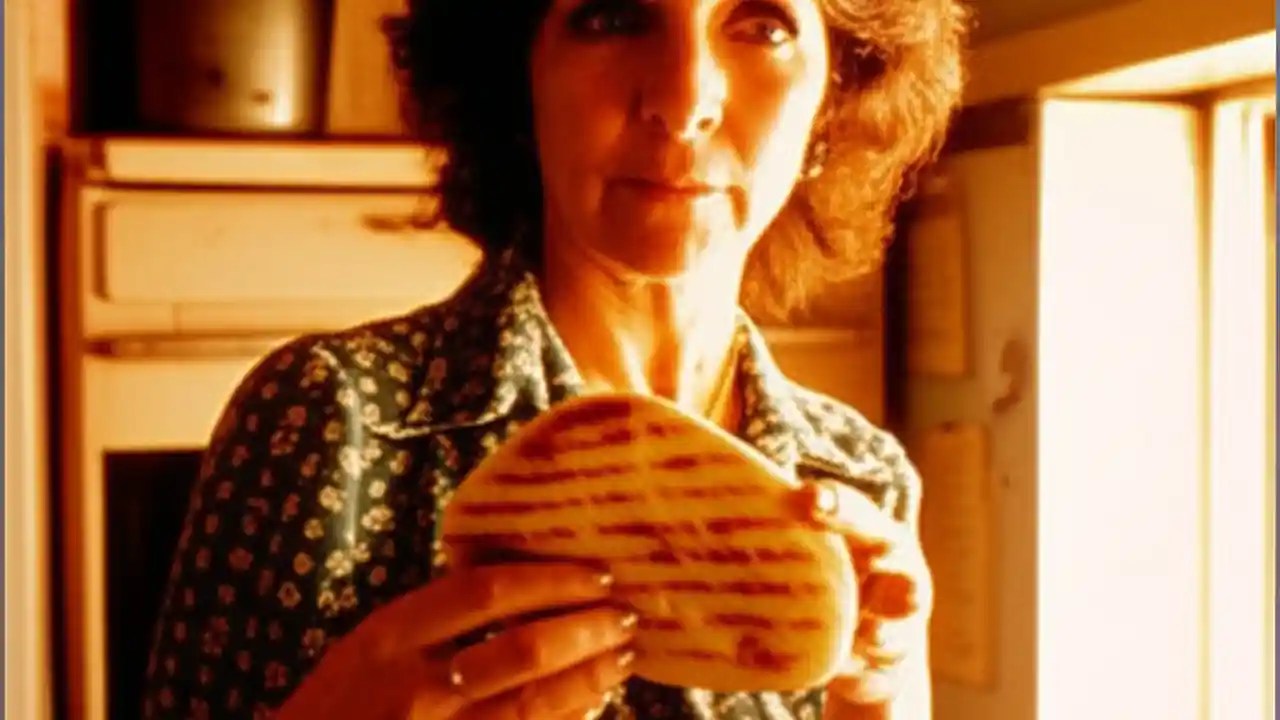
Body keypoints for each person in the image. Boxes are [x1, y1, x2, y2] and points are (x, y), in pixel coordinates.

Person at [141, 0, 966, 717]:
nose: (684, 101)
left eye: (762, 24)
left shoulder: (859, 476)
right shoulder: (329, 423)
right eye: (612, 16)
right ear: (516, 82)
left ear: (832, 98)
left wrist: (882, 692)